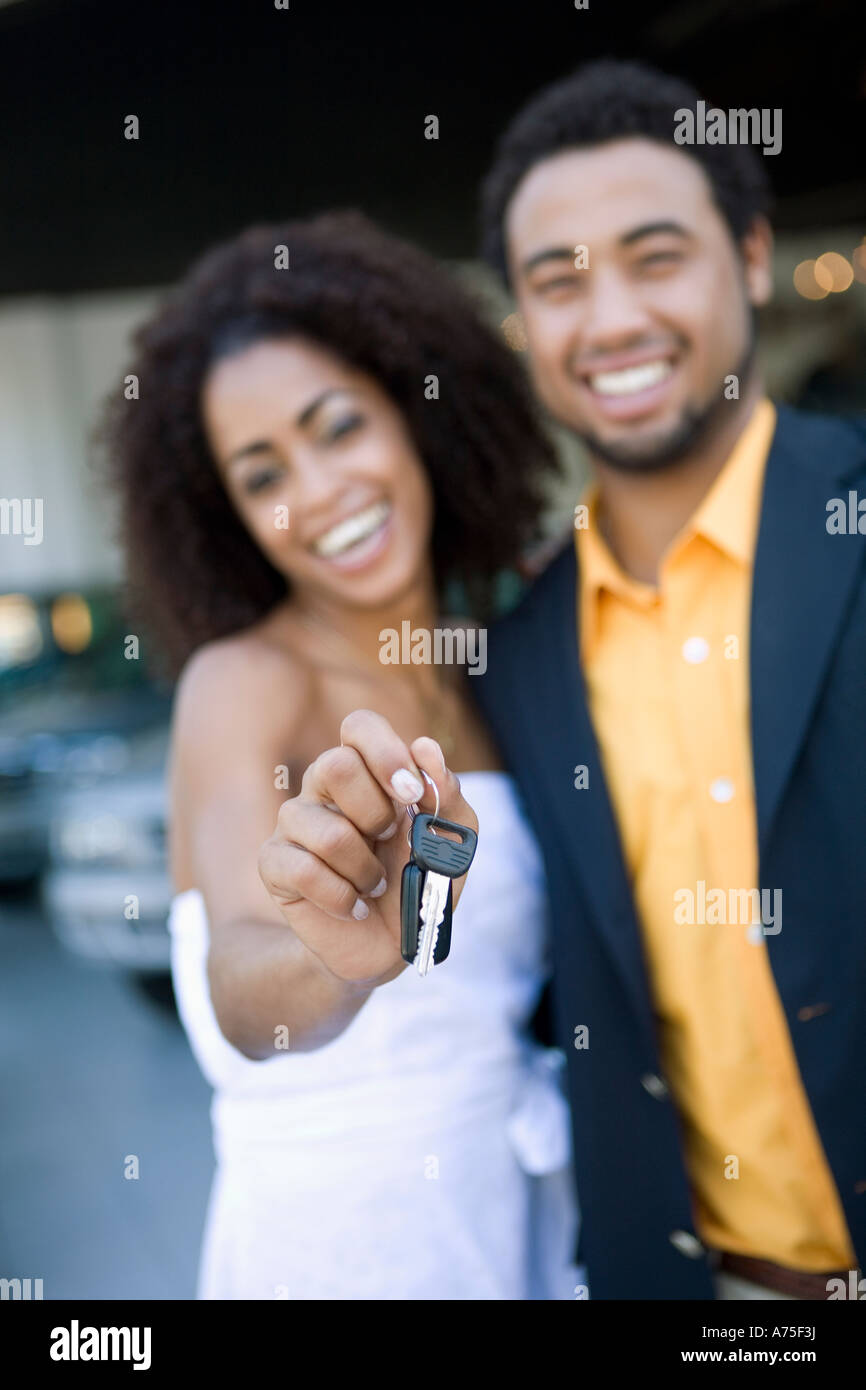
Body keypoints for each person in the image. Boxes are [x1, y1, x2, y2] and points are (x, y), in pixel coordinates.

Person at [103, 211, 579, 1300]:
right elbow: (242, 980)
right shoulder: (246, 682)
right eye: (262, 474)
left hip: (518, 1217)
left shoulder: (489, 673)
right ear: (226, 516)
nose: (317, 493)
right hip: (347, 1246)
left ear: (420, 418)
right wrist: (332, 957)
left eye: (338, 427)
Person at [473, 59, 866, 1298]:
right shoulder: (517, 654)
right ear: (522, 326)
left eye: (655, 256)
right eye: (557, 281)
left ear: (749, 259)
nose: (610, 321)